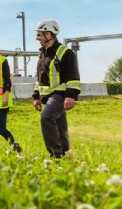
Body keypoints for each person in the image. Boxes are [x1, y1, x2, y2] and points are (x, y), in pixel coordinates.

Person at [31, 19, 81, 158]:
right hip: (48, 97)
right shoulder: (42, 54)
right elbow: (39, 79)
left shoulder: (65, 53)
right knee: (59, 124)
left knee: (46, 117)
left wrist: (70, 96)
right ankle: (65, 153)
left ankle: (55, 155)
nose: (37, 38)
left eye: (39, 35)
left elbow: (73, 76)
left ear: (49, 34)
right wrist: (36, 97)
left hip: (60, 94)